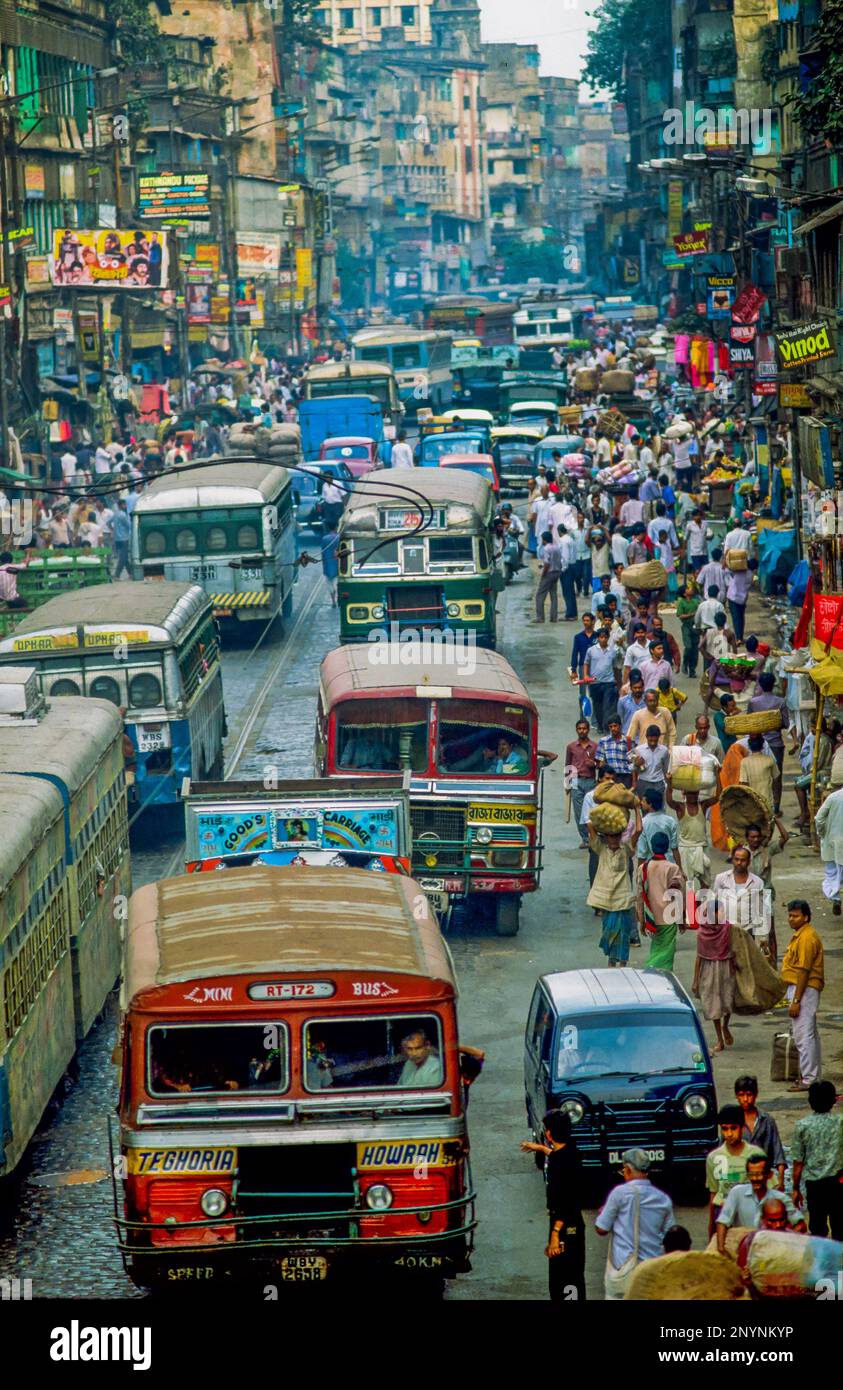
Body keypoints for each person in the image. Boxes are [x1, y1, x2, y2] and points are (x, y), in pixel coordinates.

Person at [520, 1109, 587, 1301]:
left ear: (549, 1133)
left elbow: (564, 1201)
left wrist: (555, 1235)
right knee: (573, 1275)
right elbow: (559, 1156)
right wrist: (540, 1148)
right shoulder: (571, 1152)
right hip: (574, 1223)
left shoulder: (559, 1166)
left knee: (564, 1279)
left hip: (564, 1226)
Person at [595, 1148, 675, 1299]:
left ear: (628, 1169)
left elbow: (601, 1229)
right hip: (652, 1270)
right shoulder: (663, 1199)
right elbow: (670, 1236)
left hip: (624, 1270)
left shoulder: (619, 1194)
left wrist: (607, 1213)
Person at [587, 804, 642, 964]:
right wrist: (607, 812)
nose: (613, 840)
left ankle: (622, 965)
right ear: (606, 836)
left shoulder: (626, 850)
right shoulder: (600, 849)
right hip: (606, 901)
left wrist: (637, 808)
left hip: (622, 900)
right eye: (610, 836)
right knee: (609, 934)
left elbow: (638, 831)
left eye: (616, 836)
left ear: (620, 836)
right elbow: (590, 824)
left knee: (623, 935)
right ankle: (611, 963)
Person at [715, 1155, 804, 1252]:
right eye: (751, 1174)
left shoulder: (781, 1198)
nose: (755, 1178)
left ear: (769, 1175)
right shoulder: (736, 1193)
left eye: (759, 1174)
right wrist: (721, 1248)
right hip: (744, 1248)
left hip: (773, 1250)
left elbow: (800, 1225)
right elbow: (723, 1221)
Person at [790, 1079, 843, 1240]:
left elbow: (798, 1161)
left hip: (814, 1186)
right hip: (838, 1183)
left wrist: (795, 1188)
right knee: (840, 1226)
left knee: (818, 1228)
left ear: (810, 1101)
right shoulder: (840, 1122)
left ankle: (822, 1261)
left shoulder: (802, 1126)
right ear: (834, 1100)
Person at [781, 899, 824, 1091]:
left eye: (795, 916)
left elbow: (804, 971)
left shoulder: (807, 938)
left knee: (803, 1035)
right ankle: (813, 1076)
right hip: (802, 988)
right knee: (809, 1034)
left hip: (804, 989)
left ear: (805, 917)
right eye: (790, 915)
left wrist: (796, 1001)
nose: (791, 919)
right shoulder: (802, 935)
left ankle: (808, 1078)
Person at [705, 1105, 767, 1235]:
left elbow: (767, 1190)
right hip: (722, 1211)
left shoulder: (755, 1154)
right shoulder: (714, 1157)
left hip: (748, 1211)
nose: (729, 1134)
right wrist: (711, 1225)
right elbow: (714, 1192)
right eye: (724, 1129)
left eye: (733, 1128)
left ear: (742, 1128)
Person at [636, 831, 686, 970]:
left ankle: (653, 972)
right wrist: (682, 920)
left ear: (651, 847)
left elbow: (640, 895)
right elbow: (679, 896)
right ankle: (654, 971)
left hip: (651, 916)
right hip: (668, 917)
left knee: (657, 947)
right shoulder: (673, 868)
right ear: (667, 847)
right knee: (666, 952)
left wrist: (641, 920)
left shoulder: (643, 868)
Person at [745, 820, 788, 964]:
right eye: (752, 837)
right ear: (747, 838)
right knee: (749, 931)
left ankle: (772, 963)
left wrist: (775, 820)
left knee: (770, 931)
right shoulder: (742, 852)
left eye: (757, 836)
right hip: (748, 895)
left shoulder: (768, 850)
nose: (755, 839)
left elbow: (785, 838)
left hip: (766, 894)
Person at [733, 1075, 786, 1189]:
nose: (745, 1099)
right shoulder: (731, 1123)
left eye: (749, 1095)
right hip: (739, 1181)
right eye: (741, 1095)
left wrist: (781, 1181)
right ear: (737, 1096)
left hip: (763, 1180)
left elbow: (778, 1153)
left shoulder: (766, 1121)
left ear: (756, 1094)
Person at [748, 672, 789, 812]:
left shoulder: (753, 702)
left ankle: (759, 805)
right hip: (775, 743)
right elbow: (786, 723)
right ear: (773, 685)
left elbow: (750, 722)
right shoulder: (780, 702)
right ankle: (776, 807)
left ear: (760, 685)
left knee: (756, 774)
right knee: (777, 776)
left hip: (758, 744)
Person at [565, 718, 598, 848]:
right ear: (576, 730)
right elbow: (567, 765)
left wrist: (594, 764)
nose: (582, 731)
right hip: (575, 780)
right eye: (579, 729)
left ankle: (593, 836)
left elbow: (601, 763)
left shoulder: (595, 746)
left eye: (584, 728)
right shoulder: (571, 747)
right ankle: (585, 838)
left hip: (590, 780)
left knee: (591, 811)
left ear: (588, 730)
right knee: (579, 812)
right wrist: (567, 784)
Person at [814, 783, 843, 914]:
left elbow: (819, 818)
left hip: (831, 842)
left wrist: (822, 833)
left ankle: (835, 896)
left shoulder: (833, 797)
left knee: (831, 874)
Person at [583, 626, 617, 734]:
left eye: (605, 637)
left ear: (608, 638)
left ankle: (606, 727)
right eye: (601, 637)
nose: (603, 639)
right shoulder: (591, 650)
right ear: (598, 638)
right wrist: (585, 675)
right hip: (595, 682)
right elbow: (586, 663)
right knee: (597, 705)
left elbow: (615, 666)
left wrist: (617, 680)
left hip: (608, 682)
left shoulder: (613, 651)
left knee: (607, 706)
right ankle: (600, 725)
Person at [738, 734, 777, 813]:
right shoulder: (770, 760)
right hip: (767, 801)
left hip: (752, 802)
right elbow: (776, 779)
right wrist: (776, 798)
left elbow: (743, 783)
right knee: (769, 823)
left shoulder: (744, 762)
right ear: (763, 745)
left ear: (749, 746)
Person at [632, 724, 670, 803]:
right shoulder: (639, 750)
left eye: (655, 741)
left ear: (659, 738)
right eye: (650, 741)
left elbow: (666, 768)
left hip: (658, 783)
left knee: (659, 808)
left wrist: (669, 785)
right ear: (646, 737)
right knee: (644, 807)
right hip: (643, 782)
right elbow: (632, 768)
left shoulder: (664, 750)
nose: (652, 743)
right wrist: (636, 764)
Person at [595, 715, 633, 785]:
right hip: (610, 776)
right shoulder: (603, 741)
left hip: (625, 776)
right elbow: (599, 762)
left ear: (620, 726)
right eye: (611, 727)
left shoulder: (627, 741)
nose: (613, 728)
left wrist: (634, 780)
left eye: (615, 726)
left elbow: (632, 762)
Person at [726, 556, 756, 641]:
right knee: (741, 618)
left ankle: (738, 638)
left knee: (736, 618)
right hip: (742, 599)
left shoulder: (738, 571)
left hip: (732, 597)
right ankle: (740, 636)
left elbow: (728, 571)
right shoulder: (750, 575)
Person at [617, 672, 646, 736]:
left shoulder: (648, 701)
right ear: (631, 688)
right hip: (627, 735)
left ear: (643, 687)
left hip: (644, 736)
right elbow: (619, 719)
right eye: (635, 688)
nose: (637, 690)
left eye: (639, 687)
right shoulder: (622, 701)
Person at [111, 499, 132, 579]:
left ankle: (131, 573)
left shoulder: (115, 514)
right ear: (120, 506)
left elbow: (108, 522)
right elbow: (128, 526)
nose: (125, 506)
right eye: (124, 505)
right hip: (124, 538)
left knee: (124, 556)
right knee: (123, 557)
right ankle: (117, 574)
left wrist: (112, 530)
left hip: (117, 539)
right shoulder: (123, 515)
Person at [321, 525, 339, 606]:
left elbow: (323, 553)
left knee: (330, 584)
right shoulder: (339, 537)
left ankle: (333, 601)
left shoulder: (325, 539)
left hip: (328, 565)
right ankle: (338, 599)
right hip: (338, 565)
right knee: (337, 584)